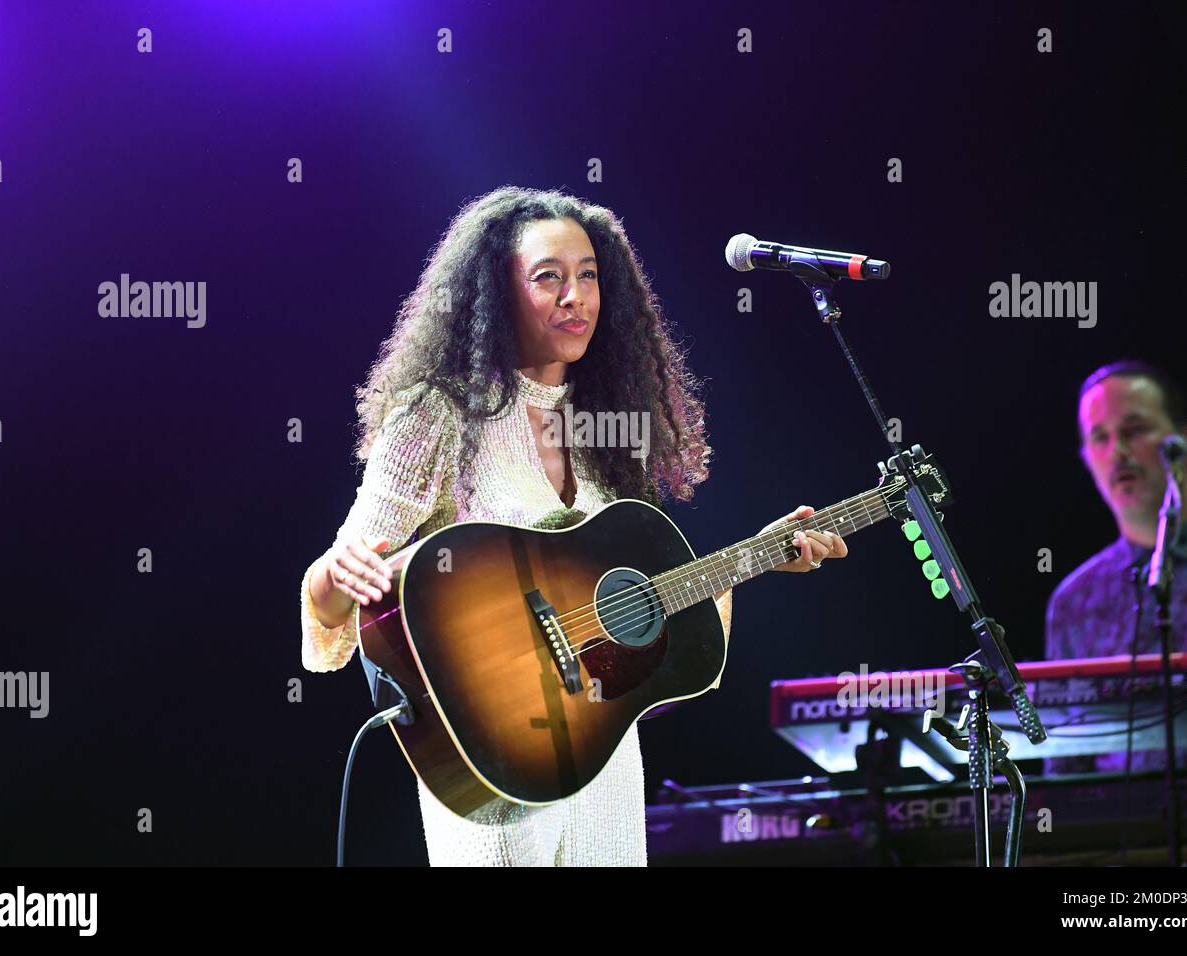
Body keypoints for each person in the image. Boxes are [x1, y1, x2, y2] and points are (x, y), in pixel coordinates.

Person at [298, 186, 849, 865]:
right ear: (495, 295)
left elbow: (635, 607)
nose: (575, 296)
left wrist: (762, 555)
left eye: (588, 276)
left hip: (602, 755)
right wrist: (332, 574)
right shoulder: (436, 415)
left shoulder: (607, 427)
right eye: (548, 278)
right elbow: (345, 587)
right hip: (498, 760)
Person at [1045, 359, 1187, 775]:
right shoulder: (1074, 602)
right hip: (1124, 836)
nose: (1117, 450)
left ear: (1186, 440)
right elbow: (1065, 766)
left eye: (1134, 430)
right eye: (1100, 437)